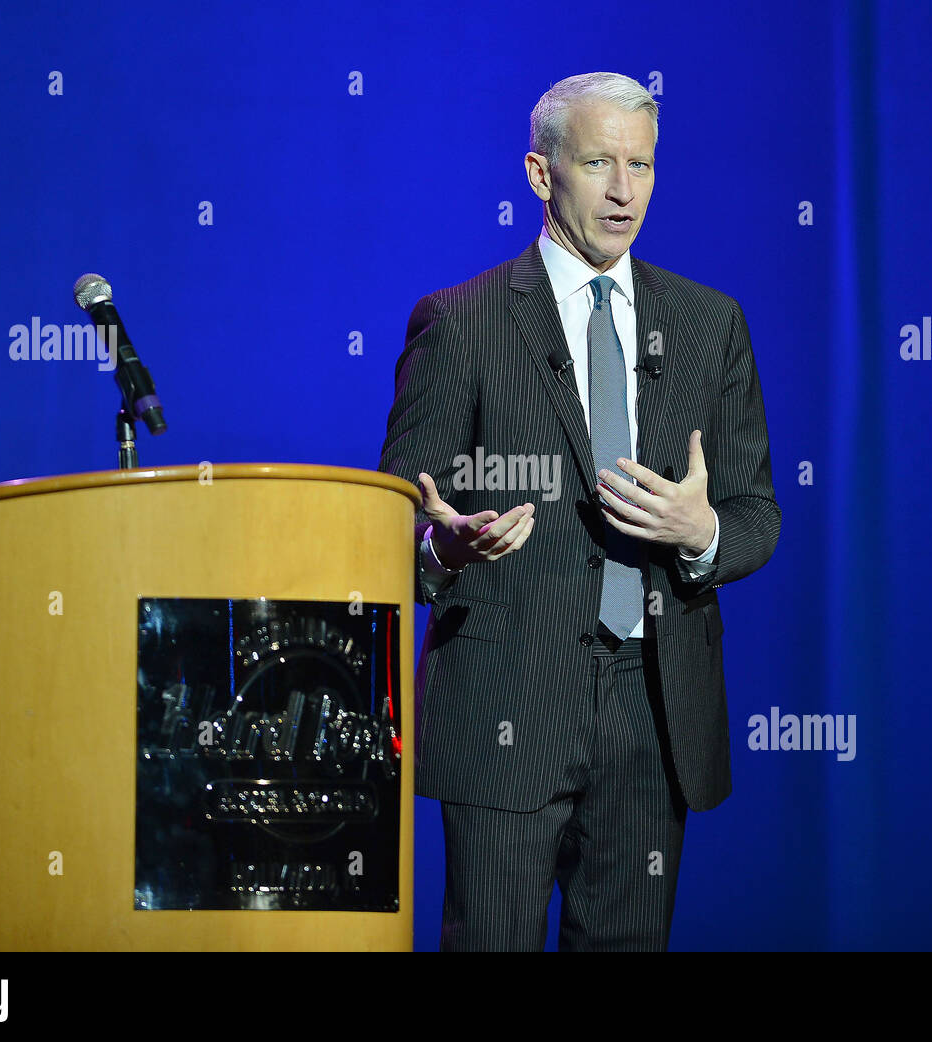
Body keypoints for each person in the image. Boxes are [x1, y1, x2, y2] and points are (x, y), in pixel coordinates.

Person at [378, 71, 780, 951]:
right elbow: (398, 530)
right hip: (503, 703)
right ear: (539, 172)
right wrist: (444, 550)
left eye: (641, 165)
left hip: (654, 710)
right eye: (598, 162)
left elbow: (756, 513)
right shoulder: (461, 322)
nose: (624, 191)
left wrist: (700, 533)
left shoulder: (710, 324)